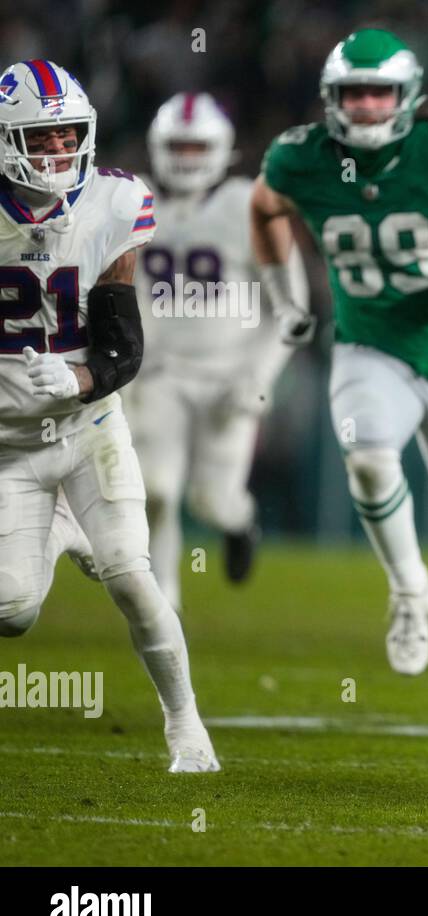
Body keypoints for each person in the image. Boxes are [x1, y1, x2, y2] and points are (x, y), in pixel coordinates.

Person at [250, 29, 428, 741]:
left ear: (407, 95)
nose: (369, 104)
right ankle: (410, 586)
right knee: (369, 455)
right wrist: (285, 294)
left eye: (381, 90)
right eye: (355, 91)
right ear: (333, 97)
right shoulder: (301, 157)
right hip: (368, 347)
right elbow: (263, 210)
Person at [0, 59, 218, 771]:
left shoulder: (113, 203)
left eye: (69, 134)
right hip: (8, 449)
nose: (61, 150)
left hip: (89, 427)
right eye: (43, 137)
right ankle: (63, 530)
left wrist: (77, 377)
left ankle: (185, 725)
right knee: (13, 613)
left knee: (129, 571)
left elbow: (125, 348)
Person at [127, 91, 308, 609]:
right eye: (177, 147)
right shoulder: (130, 199)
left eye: (196, 147)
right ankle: (163, 605)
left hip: (230, 373)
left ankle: (240, 522)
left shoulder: (250, 204)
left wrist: (259, 376)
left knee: (212, 500)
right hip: (158, 371)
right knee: (155, 488)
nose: (186, 158)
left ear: (222, 148)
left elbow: (289, 307)